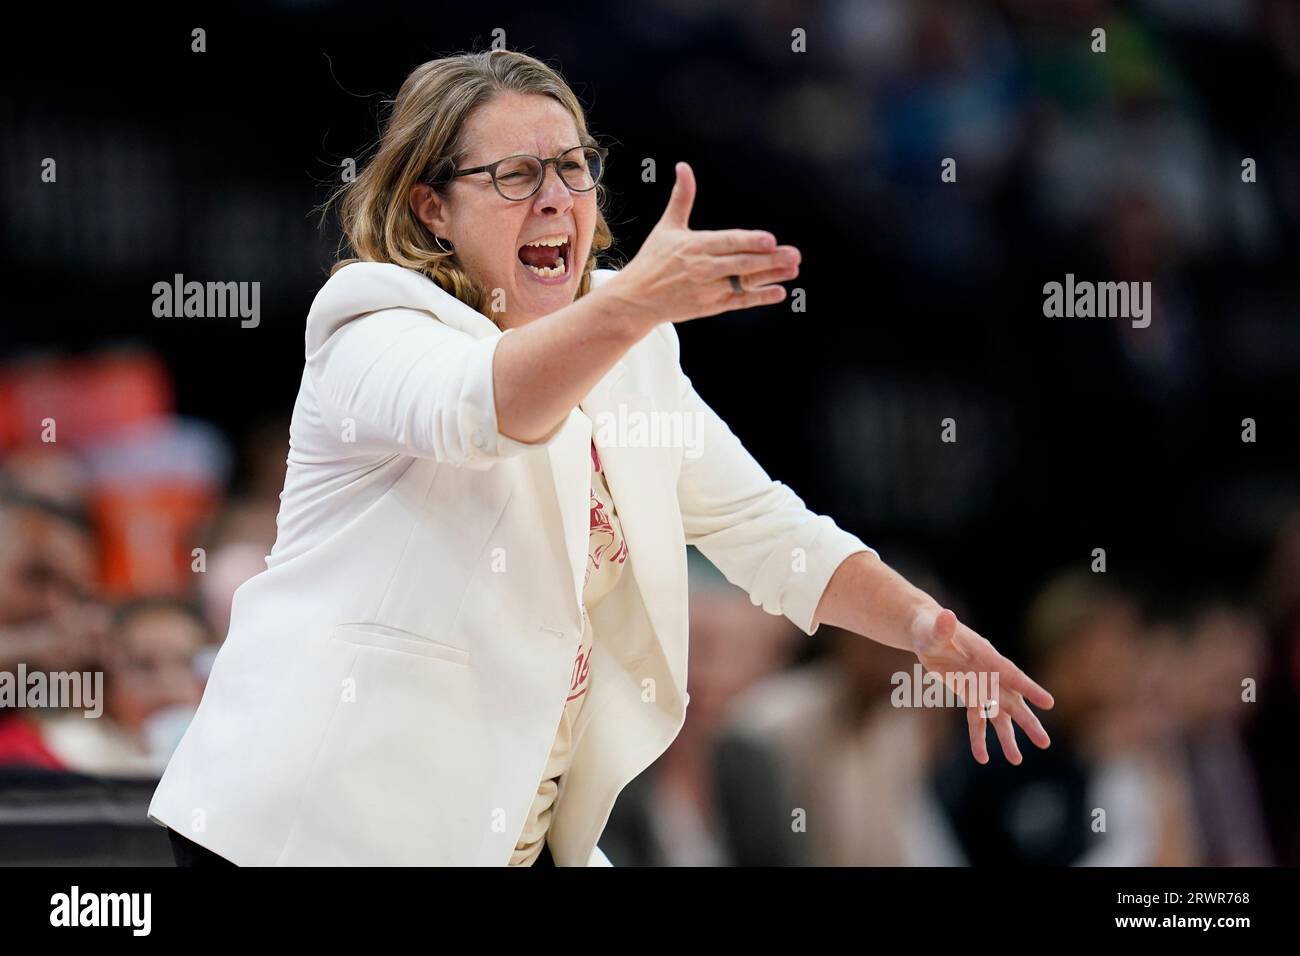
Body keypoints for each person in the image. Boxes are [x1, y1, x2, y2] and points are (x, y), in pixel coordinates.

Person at [147, 49, 1053, 867]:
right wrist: (634, 307)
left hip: (504, 835)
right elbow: (487, 406)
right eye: (513, 174)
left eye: (574, 166)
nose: (555, 196)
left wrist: (923, 627)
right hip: (304, 832)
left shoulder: (632, 344)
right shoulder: (372, 320)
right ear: (432, 208)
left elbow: (762, 526)